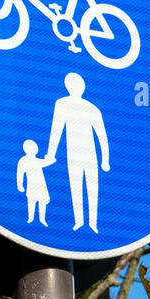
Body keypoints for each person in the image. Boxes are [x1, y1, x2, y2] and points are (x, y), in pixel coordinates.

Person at [45, 73, 110, 232]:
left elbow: (102, 136)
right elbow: (56, 130)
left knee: (92, 188)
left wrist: (105, 160)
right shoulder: (62, 104)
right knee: (76, 187)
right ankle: (79, 221)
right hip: (73, 154)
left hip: (90, 155)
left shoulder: (92, 108)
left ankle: (93, 223)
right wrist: (51, 153)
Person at [16, 139, 53, 225]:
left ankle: (42, 219)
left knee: (42, 202)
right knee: (31, 202)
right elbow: (20, 174)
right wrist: (20, 185)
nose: (35, 149)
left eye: (35, 147)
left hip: (41, 185)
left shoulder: (36, 160)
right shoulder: (23, 161)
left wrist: (51, 160)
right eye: (33, 148)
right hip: (31, 186)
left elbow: (45, 163)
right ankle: (30, 218)